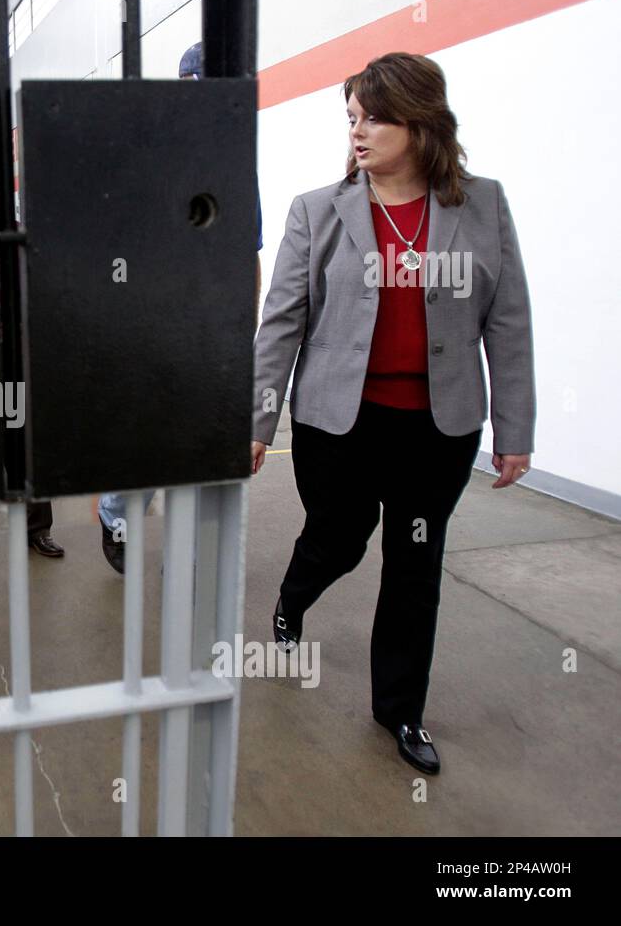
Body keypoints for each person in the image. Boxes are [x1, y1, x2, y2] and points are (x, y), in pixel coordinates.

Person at [250, 52, 535, 774]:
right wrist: (256, 422)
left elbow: (508, 321)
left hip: (437, 428)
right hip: (338, 422)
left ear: (421, 120)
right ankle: (294, 595)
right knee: (341, 537)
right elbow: (282, 321)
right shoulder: (318, 211)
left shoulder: (482, 204)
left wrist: (515, 429)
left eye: (375, 116)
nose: (359, 131)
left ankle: (401, 712)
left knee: (415, 564)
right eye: (352, 118)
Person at [97, 41, 265, 574]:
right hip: (150, 328)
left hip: (211, 331)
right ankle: (115, 514)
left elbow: (247, 251)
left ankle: (195, 551)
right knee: (149, 447)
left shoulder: (238, 168)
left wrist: (246, 325)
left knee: (202, 449)